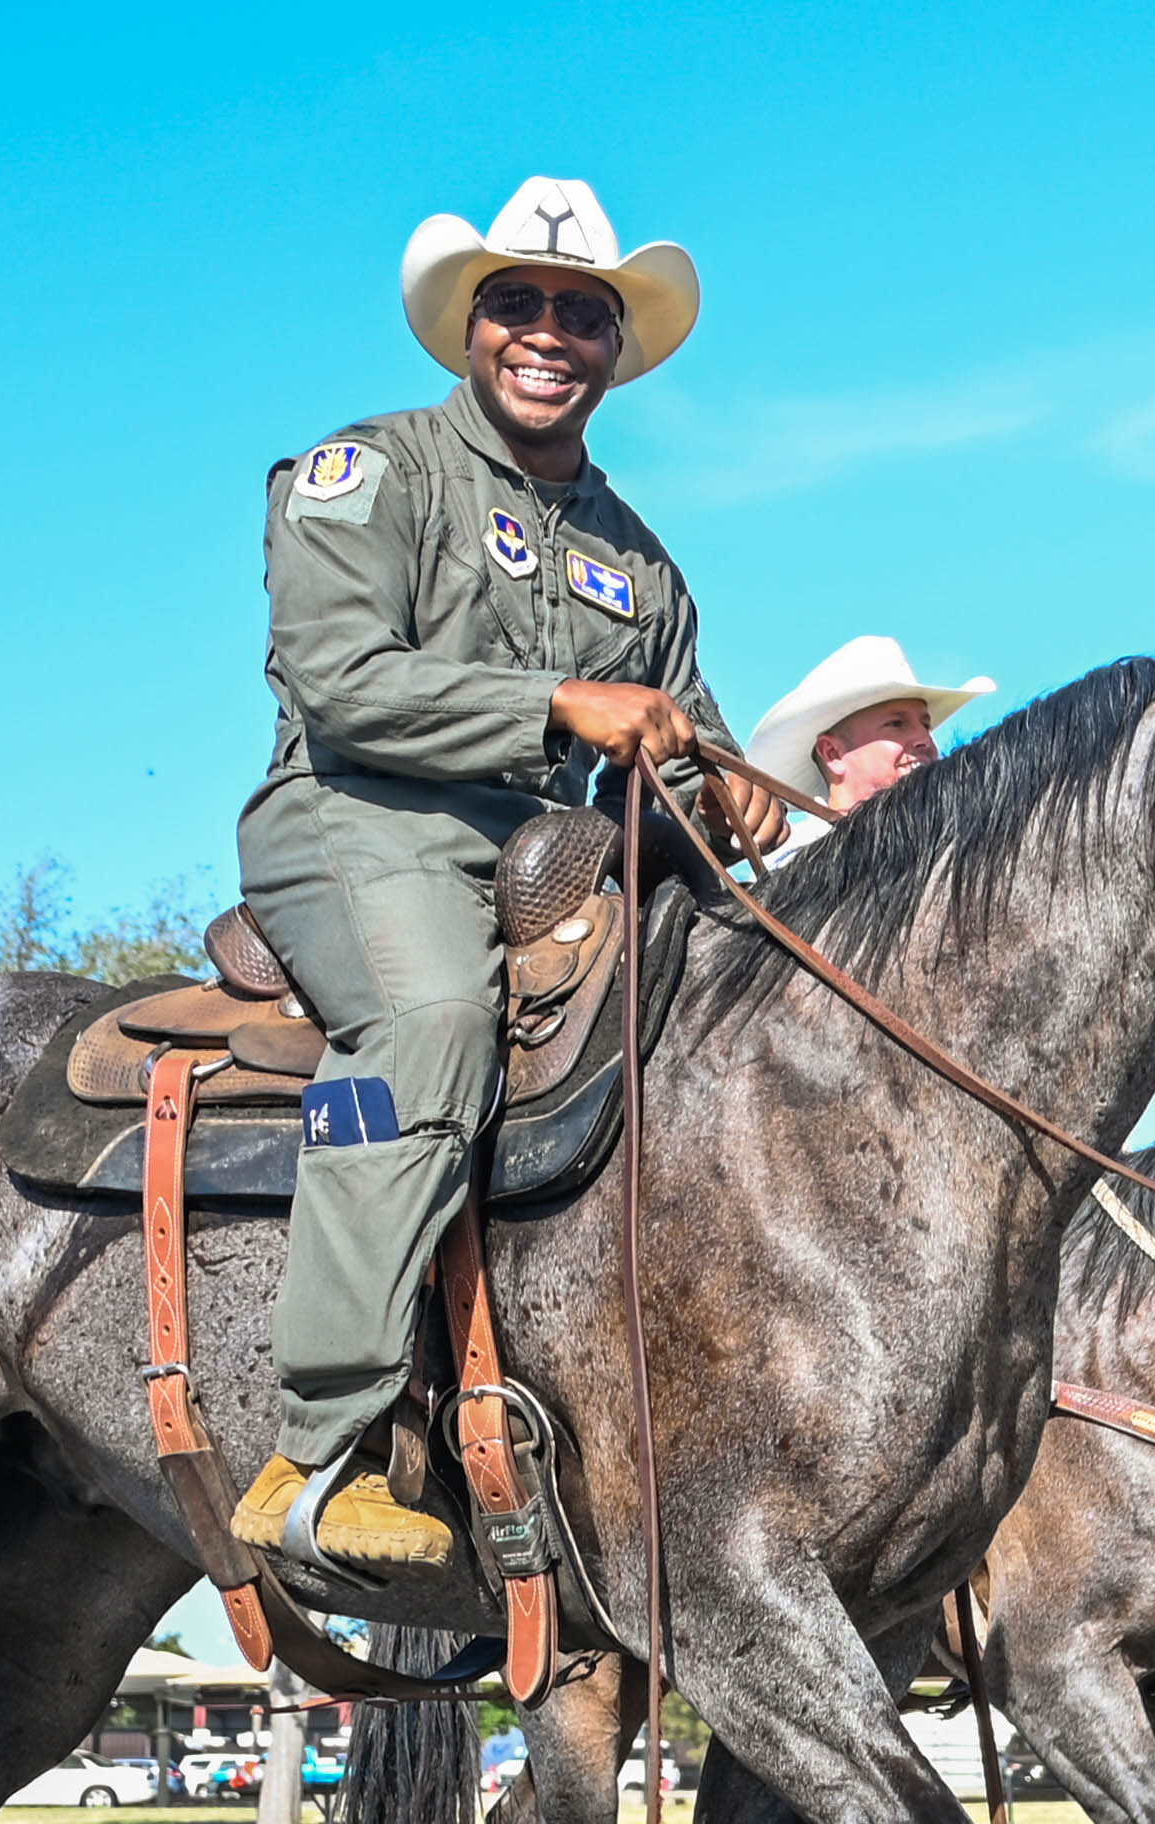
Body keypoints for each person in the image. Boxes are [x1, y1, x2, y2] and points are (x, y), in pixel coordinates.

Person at [225, 175, 778, 1572]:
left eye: (579, 315)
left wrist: (732, 791)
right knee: (433, 1025)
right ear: (470, 329)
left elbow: (682, 734)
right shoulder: (371, 472)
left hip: (554, 858)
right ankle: (316, 1452)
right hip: (356, 821)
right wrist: (556, 708)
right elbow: (341, 686)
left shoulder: (639, 560)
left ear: (615, 349)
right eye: (516, 305)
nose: (546, 333)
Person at [747, 636, 996, 840]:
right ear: (832, 753)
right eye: (896, 724)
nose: (925, 740)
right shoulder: (792, 867)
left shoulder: (955, 841)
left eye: (926, 725)